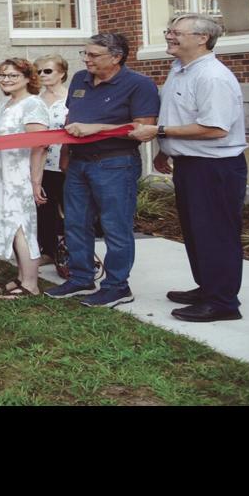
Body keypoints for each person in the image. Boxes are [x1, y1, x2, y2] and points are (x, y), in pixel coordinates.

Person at [130, 13, 249, 323]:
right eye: (168, 30)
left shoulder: (212, 76)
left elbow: (215, 128)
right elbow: (176, 115)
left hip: (215, 168)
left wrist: (159, 133)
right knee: (197, 233)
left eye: (176, 32)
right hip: (191, 164)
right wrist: (163, 150)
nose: (169, 36)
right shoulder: (180, 69)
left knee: (216, 234)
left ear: (201, 38)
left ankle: (223, 303)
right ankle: (208, 288)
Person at [45, 31, 159, 309]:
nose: (86, 60)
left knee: (114, 226)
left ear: (116, 57)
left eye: (93, 55)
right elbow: (72, 118)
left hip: (115, 163)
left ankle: (117, 286)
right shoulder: (79, 80)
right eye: (85, 54)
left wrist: (98, 129)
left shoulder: (139, 85)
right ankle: (81, 277)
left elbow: (144, 129)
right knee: (74, 222)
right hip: (78, 163)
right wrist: (65, 154)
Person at [0, 58, 51, 299]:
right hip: (1, 173)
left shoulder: (33, 104)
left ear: (27, 78)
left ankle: (31, 284)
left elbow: (39, 146)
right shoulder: (6, 103)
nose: (6, 80)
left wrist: (35, 182)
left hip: (20, 175)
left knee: (23, 227)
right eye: (2, 75)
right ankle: (21, 277)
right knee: (11, 226)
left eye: (13, 76)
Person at [33, 53, 73, 277]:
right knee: (44, 208)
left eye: (47, 71)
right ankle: (47, 249)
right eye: (38, 71)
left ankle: (67, 253)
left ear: (62, 73)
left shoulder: (71, 98)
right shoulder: (35, 99)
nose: (42, 75)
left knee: (67, 210)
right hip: (40, 164)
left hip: (64, 162)